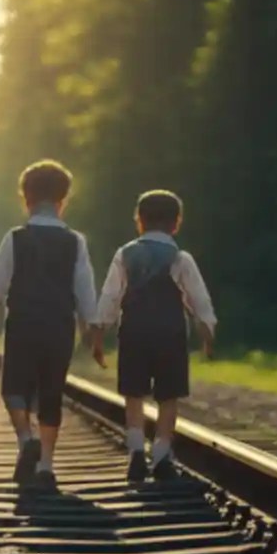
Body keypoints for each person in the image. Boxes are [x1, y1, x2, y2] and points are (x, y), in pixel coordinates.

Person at [0, 160, 97, 493]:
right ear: (63, 200)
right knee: (51, 392)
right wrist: (90, 327)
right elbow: (84, 288)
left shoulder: (16, 237)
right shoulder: (75, 241)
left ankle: (25, 438)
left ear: (26, 199)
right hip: (59, 325)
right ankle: (46, 466)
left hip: (22, 323)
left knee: (13, 388)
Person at [91, 190, 216, 482]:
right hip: (170, 333)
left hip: (133, 331)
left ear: (139, 221)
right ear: (176, 223)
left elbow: (110, 296)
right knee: (168, 395)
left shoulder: (125, 254)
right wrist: (207, 333)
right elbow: (198, 298)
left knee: (133, 393)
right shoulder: (180, 258)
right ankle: (161, 455)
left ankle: (136, 451)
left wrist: (98, 333)